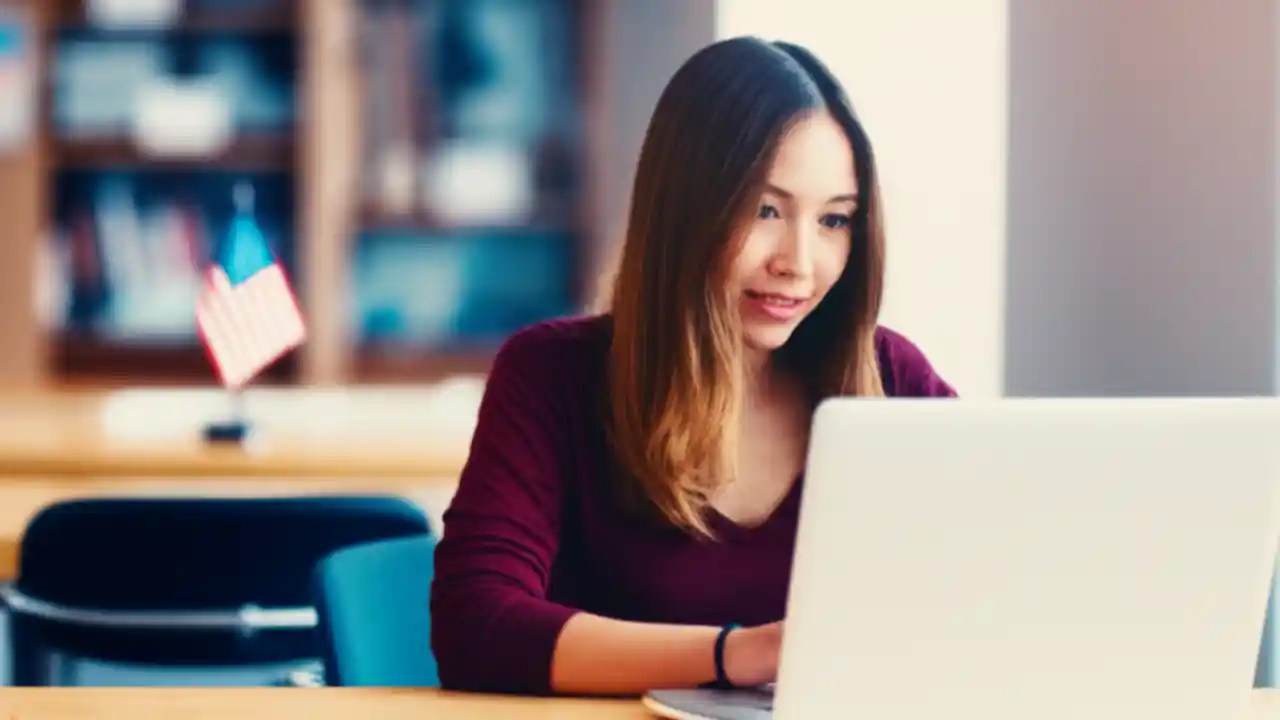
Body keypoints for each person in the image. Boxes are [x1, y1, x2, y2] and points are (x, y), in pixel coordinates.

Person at [430, 36, 956, 696]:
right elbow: (475, 627)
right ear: (687, 210)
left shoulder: (888, 378)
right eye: (766, 210)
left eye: (834, 221)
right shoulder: (552, 376)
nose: (799, 260)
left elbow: (1001, 573)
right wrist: (739, 654)